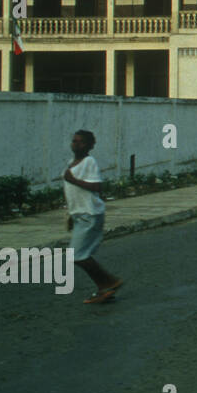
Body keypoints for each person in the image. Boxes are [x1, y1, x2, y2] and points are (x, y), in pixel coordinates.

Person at [64, 130, 122, 304]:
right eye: (74, 141)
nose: (76, 144)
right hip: (80, 215)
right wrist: (71, 214)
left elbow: (97, 187)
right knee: (79, 254)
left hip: (90, 215)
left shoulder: (89, 162)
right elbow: (73, 193)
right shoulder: (71, 163)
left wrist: (73, 180)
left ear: (90, 145)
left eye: (81, 142)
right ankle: (106, 286)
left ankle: (109, 282)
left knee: (77, 255)